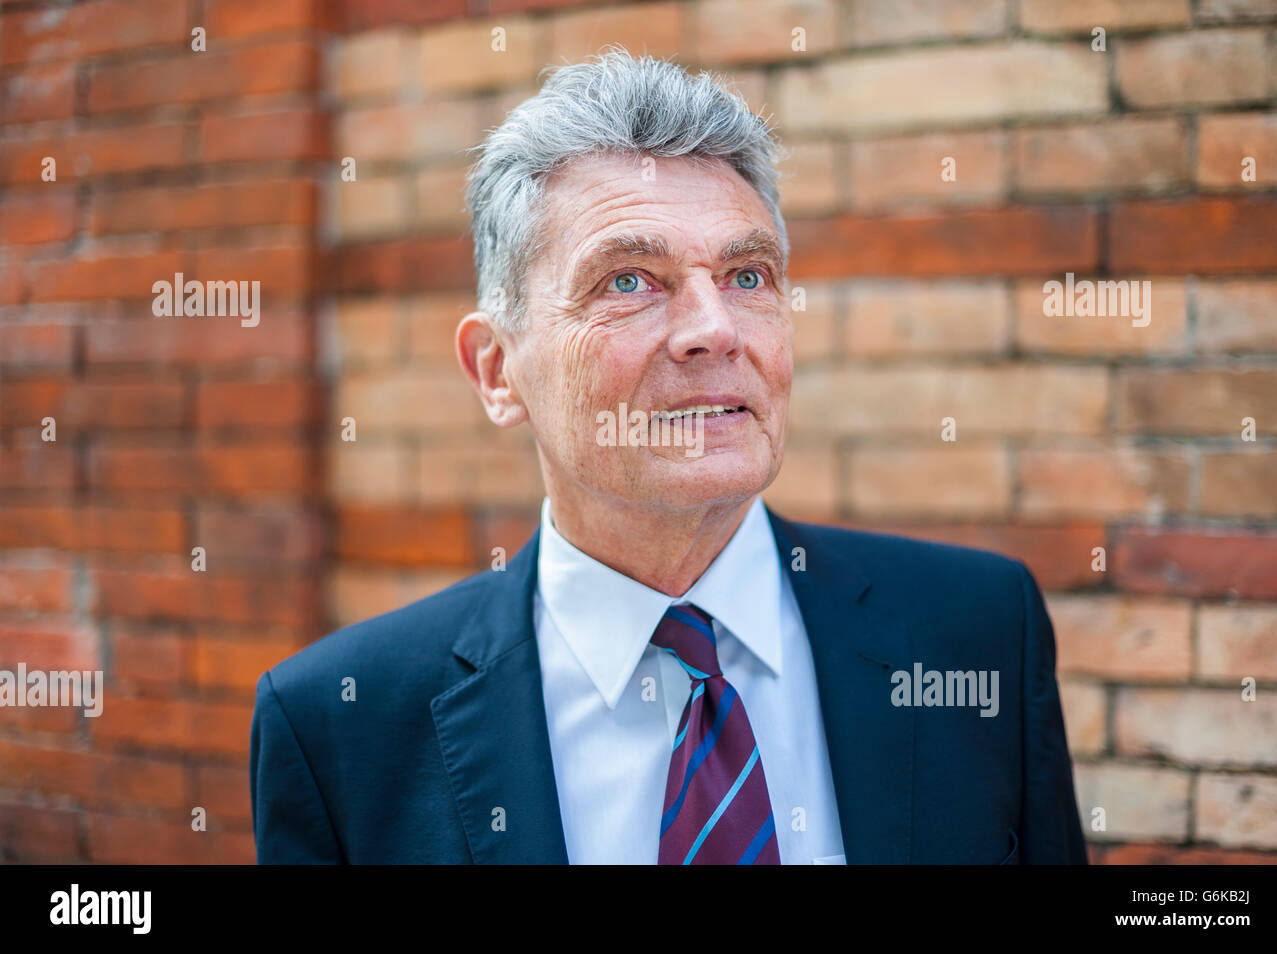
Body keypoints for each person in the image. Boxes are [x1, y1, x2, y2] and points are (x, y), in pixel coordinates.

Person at [249, 49, 1088, 865]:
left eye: (748, 276)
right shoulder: (341, 724)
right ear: (498, 371)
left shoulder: (976, 633)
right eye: (629, 281)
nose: (715, 329)